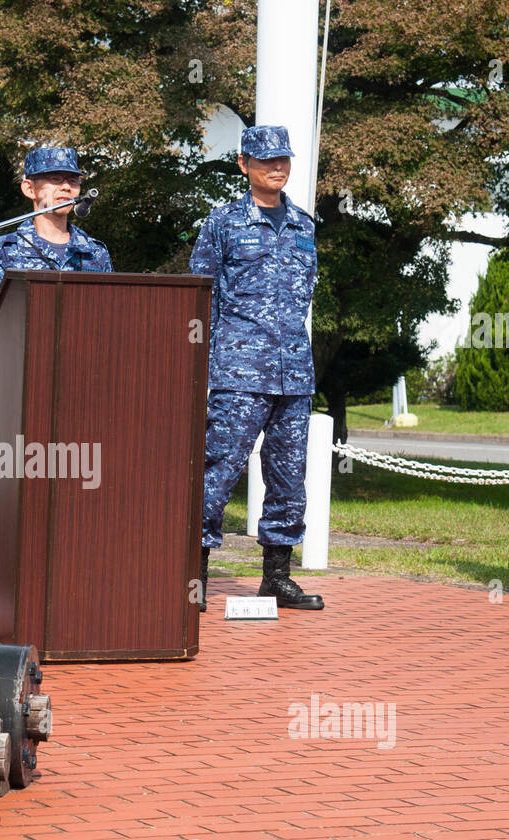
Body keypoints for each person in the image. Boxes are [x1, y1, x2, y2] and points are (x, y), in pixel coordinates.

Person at [189, 124, 322, 613]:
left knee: (289, 477)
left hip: (294, 374)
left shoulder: (305, 226)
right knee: (218, 472)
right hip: (238, 372)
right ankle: (194, 575)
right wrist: (204, 361)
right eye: (266, 162)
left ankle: (277, 577)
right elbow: (200, 298)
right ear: (244, 165)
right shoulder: (222, 223)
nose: (277, 168)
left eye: (283, 160)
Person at [0, 146, 111, 333]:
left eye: (73, 180)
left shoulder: (95, 252)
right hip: (25, 356)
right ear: (29, 188)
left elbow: (110, 315)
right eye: (55, 179)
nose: (66, 187)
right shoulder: (3, 250)